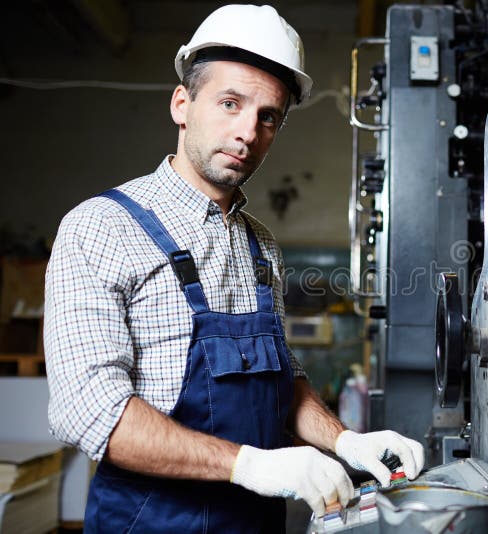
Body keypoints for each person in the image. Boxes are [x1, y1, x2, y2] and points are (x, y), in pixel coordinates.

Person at [43, 4, 424, 533]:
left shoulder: (260, 245)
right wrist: (252, 464)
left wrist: (346, 440)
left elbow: (281, 380)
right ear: (182, 103)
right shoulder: (101, 229)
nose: (248, 131)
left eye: (268, 116)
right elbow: (91, 411)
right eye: (229, 103)